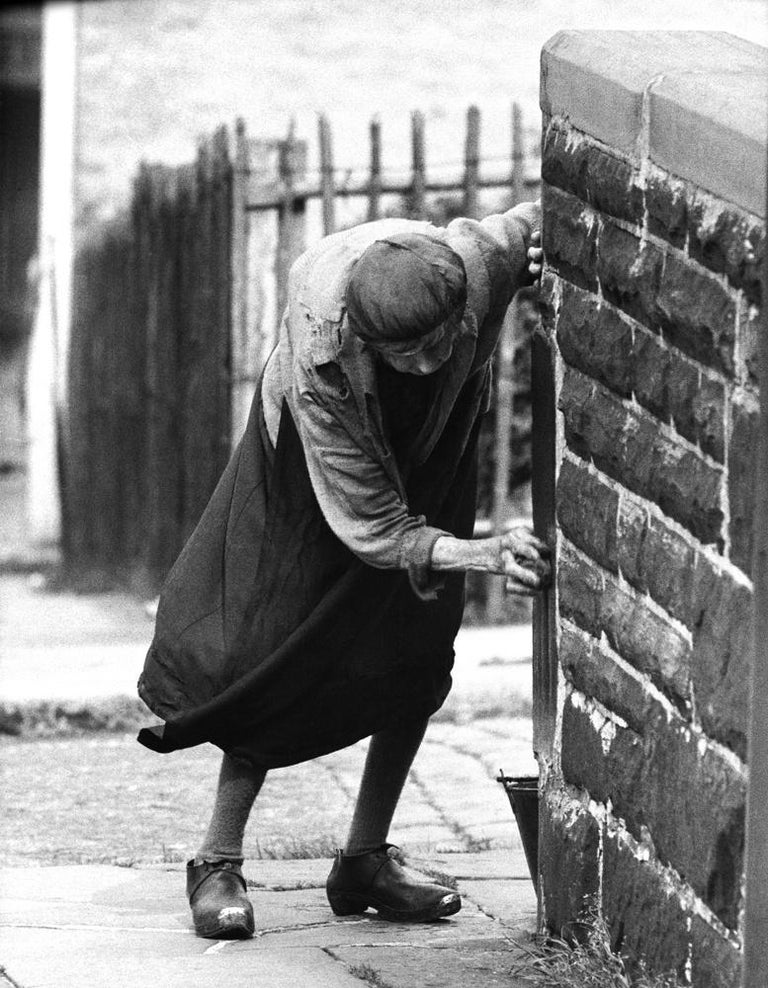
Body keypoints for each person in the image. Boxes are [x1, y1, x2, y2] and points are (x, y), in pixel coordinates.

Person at [136, 200, 550, 939]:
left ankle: (363, 861)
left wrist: (558, 254)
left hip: (432, 442)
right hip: (312, 466)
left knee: (417, 649)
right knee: (276, 644)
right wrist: (480, 553)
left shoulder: (476, 264)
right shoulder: (322, 364)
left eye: (439, 342)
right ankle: (217, 861)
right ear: (364, 336)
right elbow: (375, 529)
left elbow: (548, 213)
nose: (428, 363)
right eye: (407, 354)